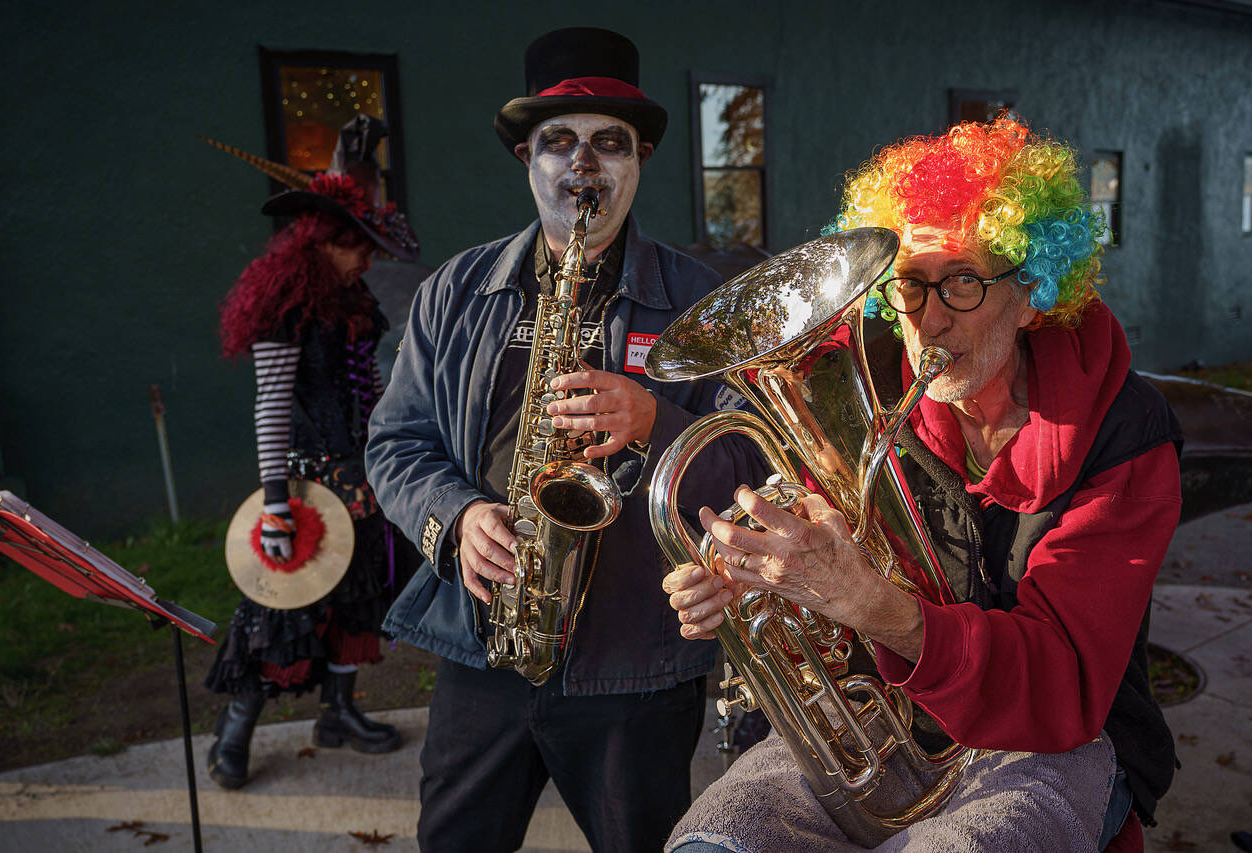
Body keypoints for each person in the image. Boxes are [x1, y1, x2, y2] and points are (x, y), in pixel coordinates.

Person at [663, 115, 1182, 852]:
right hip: (890, 718)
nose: (929, 320)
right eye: (909, 283)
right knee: (712, 843)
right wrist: (764, 584)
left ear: (1032, 291)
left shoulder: (1125, 433)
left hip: (1059, 740)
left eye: (964, 281)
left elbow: (1061, 687)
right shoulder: (867, 388)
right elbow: (837, 628)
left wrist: (872, 604)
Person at [366, 27, 764, 853]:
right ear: (527, 159)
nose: (583, 164)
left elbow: (760, 463)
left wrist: (660, 423)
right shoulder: (457, 289)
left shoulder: (701, 299)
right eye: (560, 142)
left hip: (639, 666)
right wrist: (458, 515)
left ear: (641, 158)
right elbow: (395, 444)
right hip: (486, 649)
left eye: (609, 143)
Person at [204, 127, 421, 790]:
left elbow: (369, 391)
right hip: (305, 483)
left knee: (358, 600)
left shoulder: (353, 303)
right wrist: (274, 501)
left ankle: (340, 713)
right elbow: (270, 404)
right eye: (357, 246)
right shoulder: (285, 305)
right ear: (318, 240)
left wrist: (384, 449)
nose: (366, 260)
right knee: (284, 604)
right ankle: (234, 729)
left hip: (358, 479)